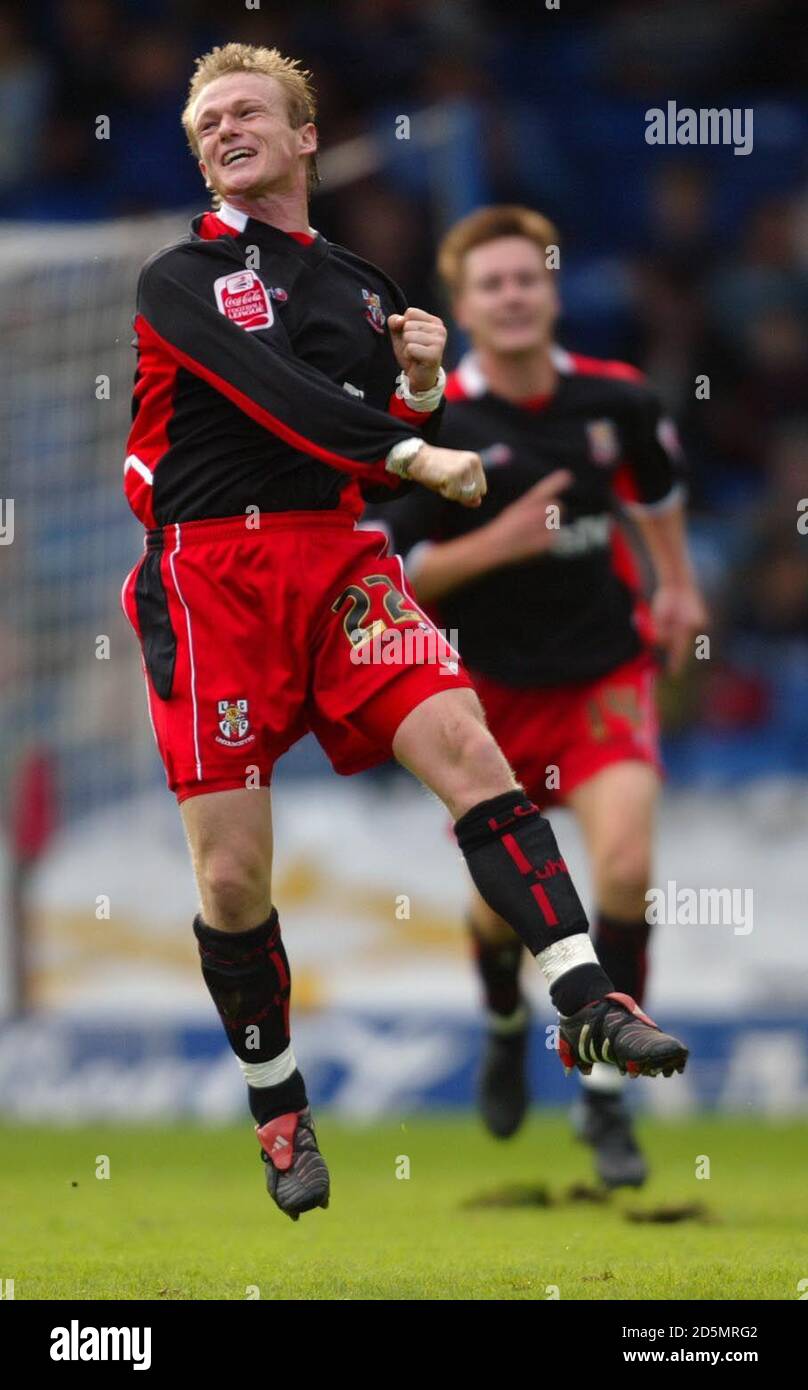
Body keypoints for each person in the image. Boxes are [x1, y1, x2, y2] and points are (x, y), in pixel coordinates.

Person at [120, 46, 687, 1221]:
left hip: (338, 560)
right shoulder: (178, 278)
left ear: (303, 133)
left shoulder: (364, 287)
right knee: (231, 877)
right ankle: (279, 1107)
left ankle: (587, 999)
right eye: (206, 118)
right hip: (212, 574)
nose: (226, 127)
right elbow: (278, 397)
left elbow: (370, 464)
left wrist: (417, 391)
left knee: (470, 753)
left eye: (247, 111)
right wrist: (414, 440)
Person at [369, 205, 707, 1187]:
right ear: (464, 306)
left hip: (604, 672)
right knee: (498, 917)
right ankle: (508, 1022)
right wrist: (495, 542)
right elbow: (395, 575)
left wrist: (676, 581)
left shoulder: (617, 400)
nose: (512, 296)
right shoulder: (437, 425)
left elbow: (654, 489)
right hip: (487, 696)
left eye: (527, 279)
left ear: (550, 292)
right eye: (491, 284)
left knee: (627, 867)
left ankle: (604, 1102)